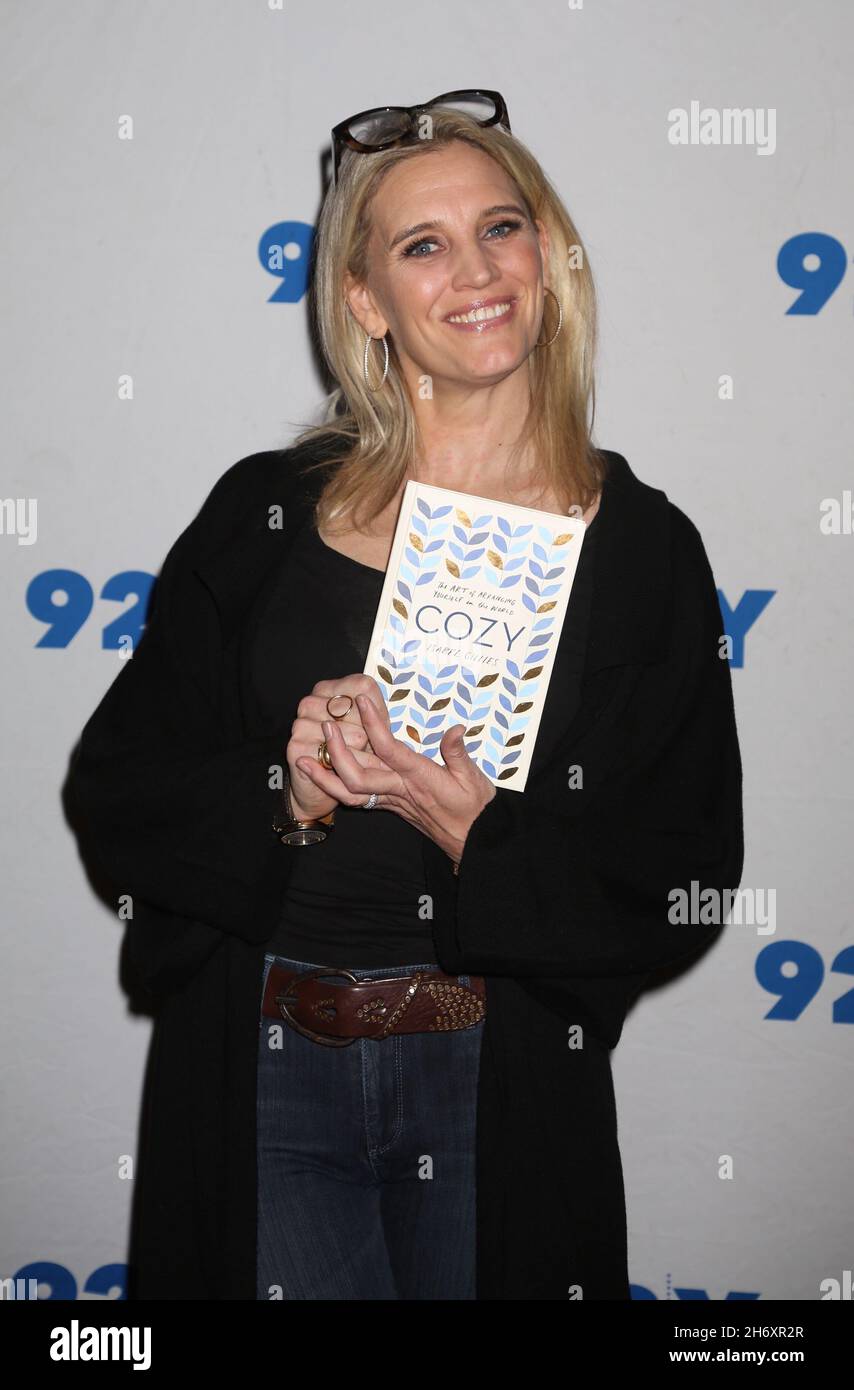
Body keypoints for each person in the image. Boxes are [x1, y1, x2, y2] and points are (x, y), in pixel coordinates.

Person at [67, 91, 744, 1301]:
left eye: (502, 226)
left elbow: (681, 871)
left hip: (498, 1072)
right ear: (365, 302)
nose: (474, 270)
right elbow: (117, 788)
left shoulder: (643, 553)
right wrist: (286, 789)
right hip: (265, 1061)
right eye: (421, 245)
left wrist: (480, 835)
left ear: (548, 258)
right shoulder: (260, 518)